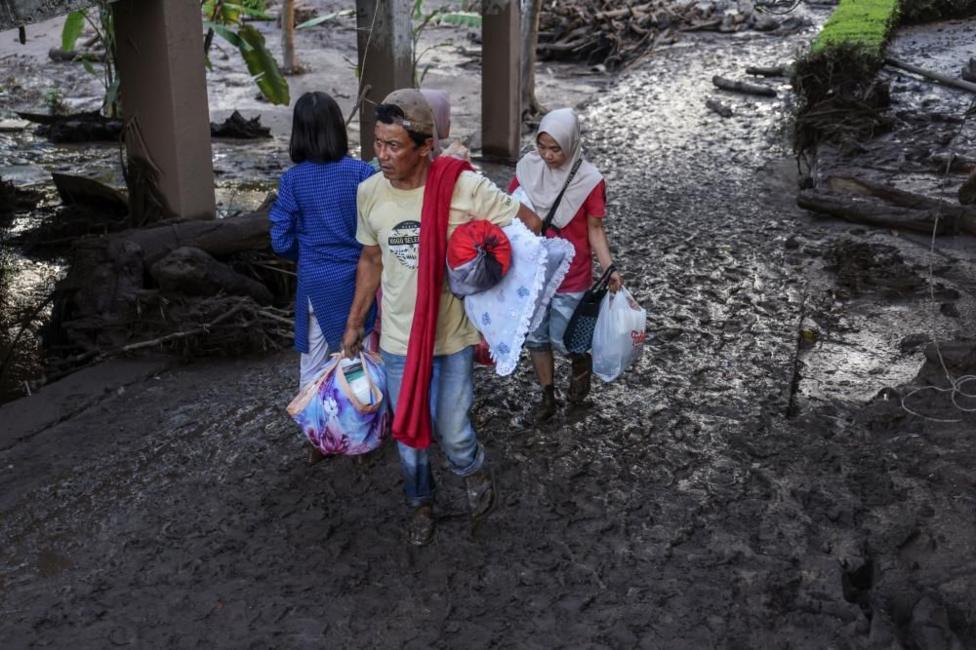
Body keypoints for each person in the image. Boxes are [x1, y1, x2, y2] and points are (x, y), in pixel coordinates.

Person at [341, 89, 541, 546]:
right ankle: (420, 505)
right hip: (396, 339)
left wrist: (486, 272)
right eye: (377, 143)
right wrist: (355, 322)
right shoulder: (369, 192)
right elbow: (370, 261)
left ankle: (472, 471)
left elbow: (527, 225)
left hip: (451, 339)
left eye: (394, 146)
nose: (382, 156)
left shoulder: (462, 186)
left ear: (425, 146)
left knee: (452, 431)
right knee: (409, 433)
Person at [508, 108, 622, 425]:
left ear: (571, 144)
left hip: (572, 274)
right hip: (533, 270)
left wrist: (609, 268)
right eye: (542, 146)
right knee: (535, 337)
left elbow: (595, 229)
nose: (547, 155)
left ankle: (580, 361)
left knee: (564, 337)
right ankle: (547, 396)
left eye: (556, 148)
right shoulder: (527, 169)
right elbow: (509, 211)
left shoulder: (589, 181)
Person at [269, 91, 376, 391]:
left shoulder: (292, 180)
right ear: (338, 128)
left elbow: (279, 240)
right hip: (359, 281)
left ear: (298, 133)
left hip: (315, 283)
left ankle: (317, 430)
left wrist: (304, 255)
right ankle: (362, 425)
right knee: (358, 360)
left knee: (313, 366)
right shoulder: (362, 174)